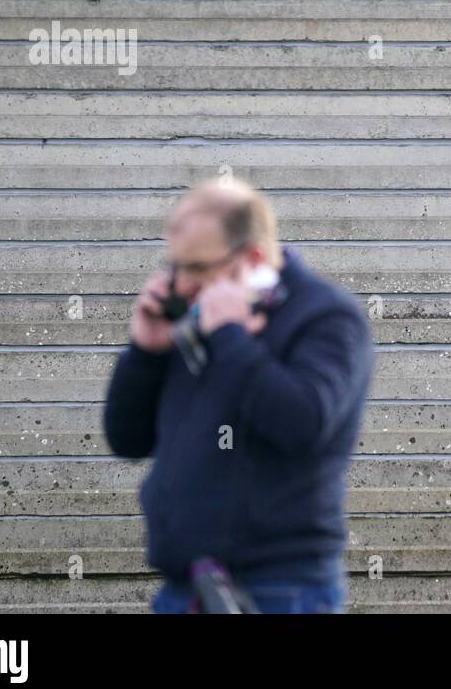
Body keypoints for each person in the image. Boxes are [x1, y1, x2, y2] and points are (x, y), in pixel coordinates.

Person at [103, 178, 375, 613]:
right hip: (184, 591)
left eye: (196, 267)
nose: (180, 284)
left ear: (250, 257)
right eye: (175, 266)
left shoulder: (326, 318)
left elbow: (302, 421)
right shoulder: (195, 319)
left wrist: (230, 337)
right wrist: (145, 353)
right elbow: (127, 439)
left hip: (277, 593)